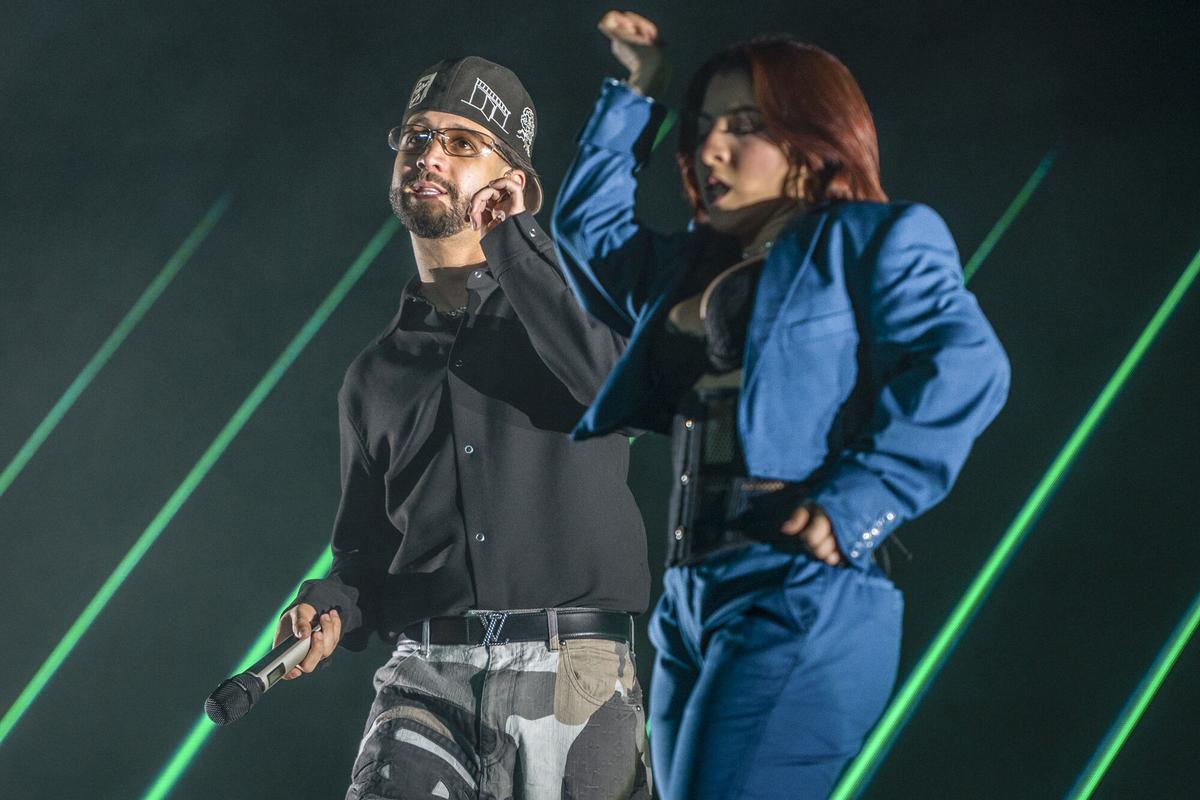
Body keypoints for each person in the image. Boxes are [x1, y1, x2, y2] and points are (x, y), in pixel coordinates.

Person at [550, 12, 1011, 799]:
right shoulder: (689, 268)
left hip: (798, 594)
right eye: (702, 129)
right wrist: (640, 91)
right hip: (692, 603)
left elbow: (967, 363)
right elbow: (583, 230)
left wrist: (859, 503)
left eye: (745, 126)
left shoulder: (876, 237)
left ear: (811, 138)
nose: (710, 149)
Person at [274, 56, 652, 800]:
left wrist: (517, 243)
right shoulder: (376, 374)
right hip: (427, 677)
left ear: (514, 183)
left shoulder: (576, 312)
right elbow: (367, 553)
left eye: (461, 142)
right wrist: (333, 601)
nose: (428, 154)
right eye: (416, 137)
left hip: (575, 678)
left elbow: (620, 387)